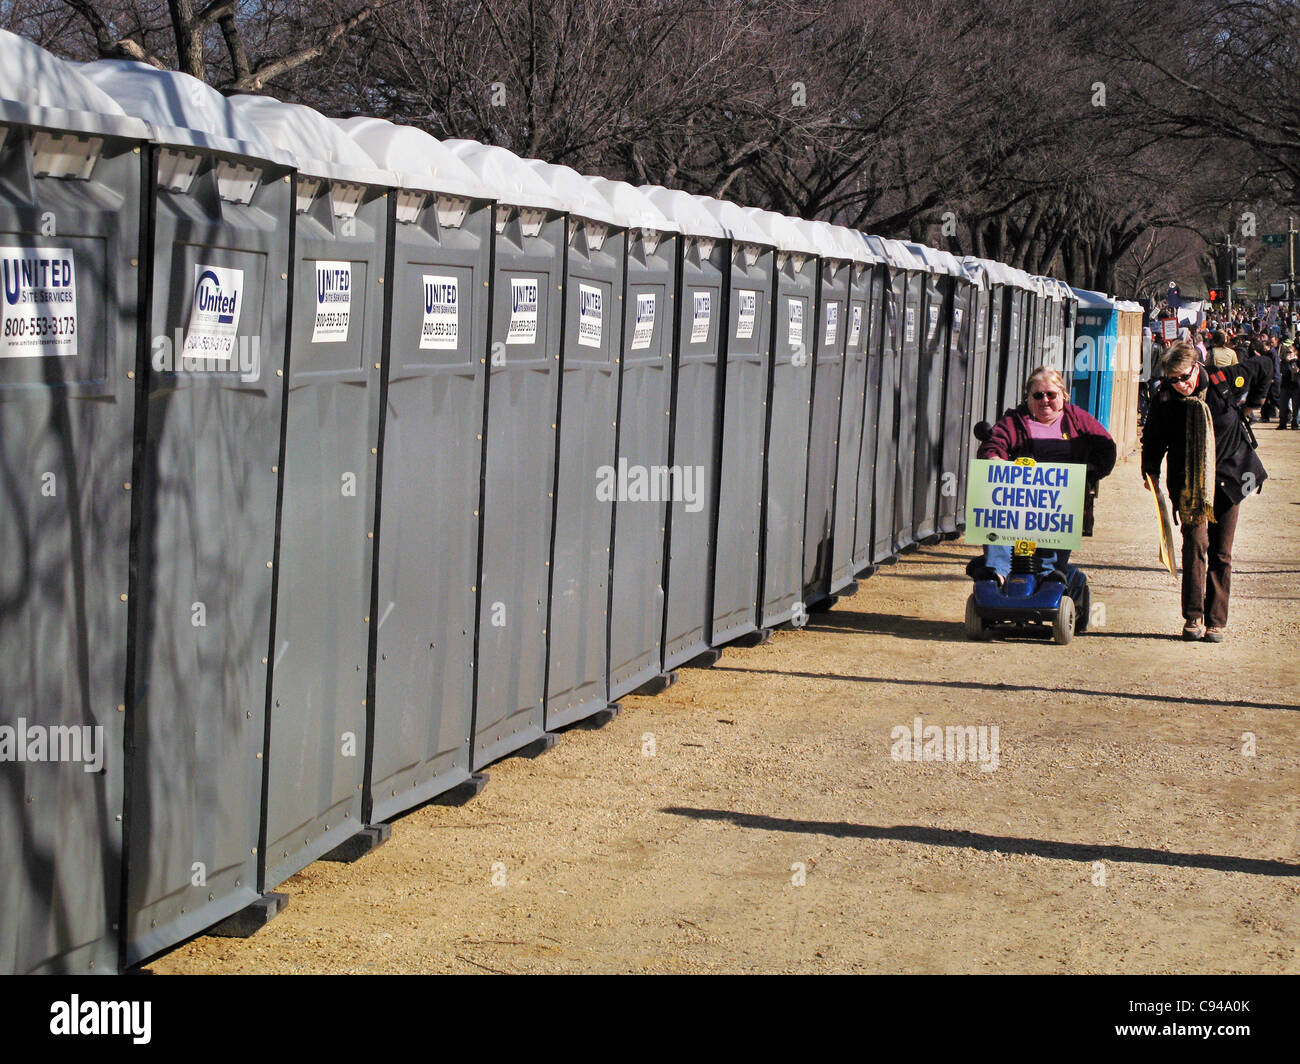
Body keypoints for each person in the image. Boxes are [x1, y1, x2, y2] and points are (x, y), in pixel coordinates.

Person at [1141, 342, 1268, 642]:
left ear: (1197, 366)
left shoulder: (1223, 382)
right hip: (1190, 484)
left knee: (1221, 553)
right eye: (1173, 380)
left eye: (1184, 377)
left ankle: (1216, 621)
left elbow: (1265, 367)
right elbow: (1153, 439)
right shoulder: (1164, 399)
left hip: (1230, 479)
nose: (1180, 385)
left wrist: (1255, 405)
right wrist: (1151, 473)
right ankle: (1193, 617)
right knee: (1195, 545)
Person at [967, 366, 1116, 584]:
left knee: (1057, 528)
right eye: (1038, 395)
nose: (1044, 400)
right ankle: (997, 572)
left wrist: (1090, 474)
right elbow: (994, 443)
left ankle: (1050, 573)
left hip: (1060, 501)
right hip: (1017, 498)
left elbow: (1106, 447)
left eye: (1051, 395)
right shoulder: (1015, 421)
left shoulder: (1077, 419)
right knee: (996, 508)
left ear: (1063, 396)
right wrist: (994, 458)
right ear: (1028, 398)